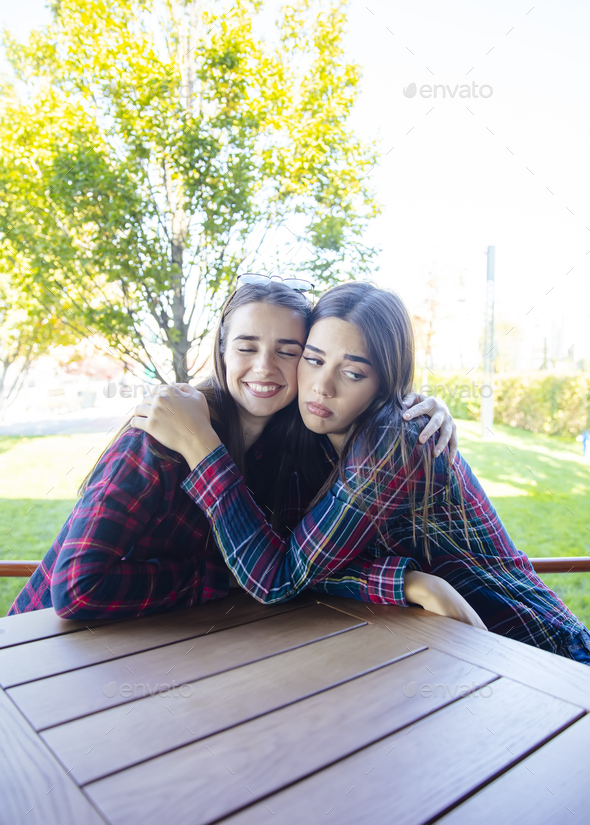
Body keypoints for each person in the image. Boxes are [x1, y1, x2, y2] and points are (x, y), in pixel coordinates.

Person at [138, 282, 590, 663]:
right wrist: (408, 582)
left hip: (541, 652)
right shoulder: (312, 439)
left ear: (385, 382)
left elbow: (275, 579)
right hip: (458, 654)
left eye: (352, 373)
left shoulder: (393, 440)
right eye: (313, 360)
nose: (322, 386)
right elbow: (296, 560)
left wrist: (201, 447)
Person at [8, 279, 454, 619]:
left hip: (171, 648)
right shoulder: (161, 434)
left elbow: (294, 565)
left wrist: (404, 404)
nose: (264, 367)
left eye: (289, 352)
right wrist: (220, 579)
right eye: (247, 346)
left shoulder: (296, 447)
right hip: (40, 654)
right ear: (221, 351)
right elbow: (78, 588)